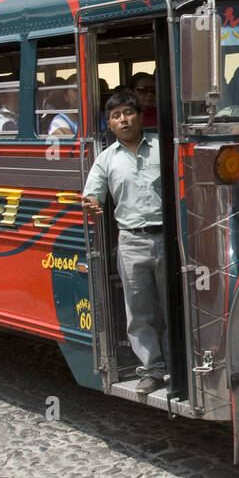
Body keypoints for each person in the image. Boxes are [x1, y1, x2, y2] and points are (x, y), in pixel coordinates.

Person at [81, 89, 167, 394]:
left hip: (167, 238)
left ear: (140, 116)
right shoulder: (106, 159)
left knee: (173, 306)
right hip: (131, 243)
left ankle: (176, 364)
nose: (123, 120)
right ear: (110, 123)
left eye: (128, 113)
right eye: (116, 116)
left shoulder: (162, 147)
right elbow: (92, 194)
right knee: (140, 312)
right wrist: (91, 203)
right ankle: (152, 370)